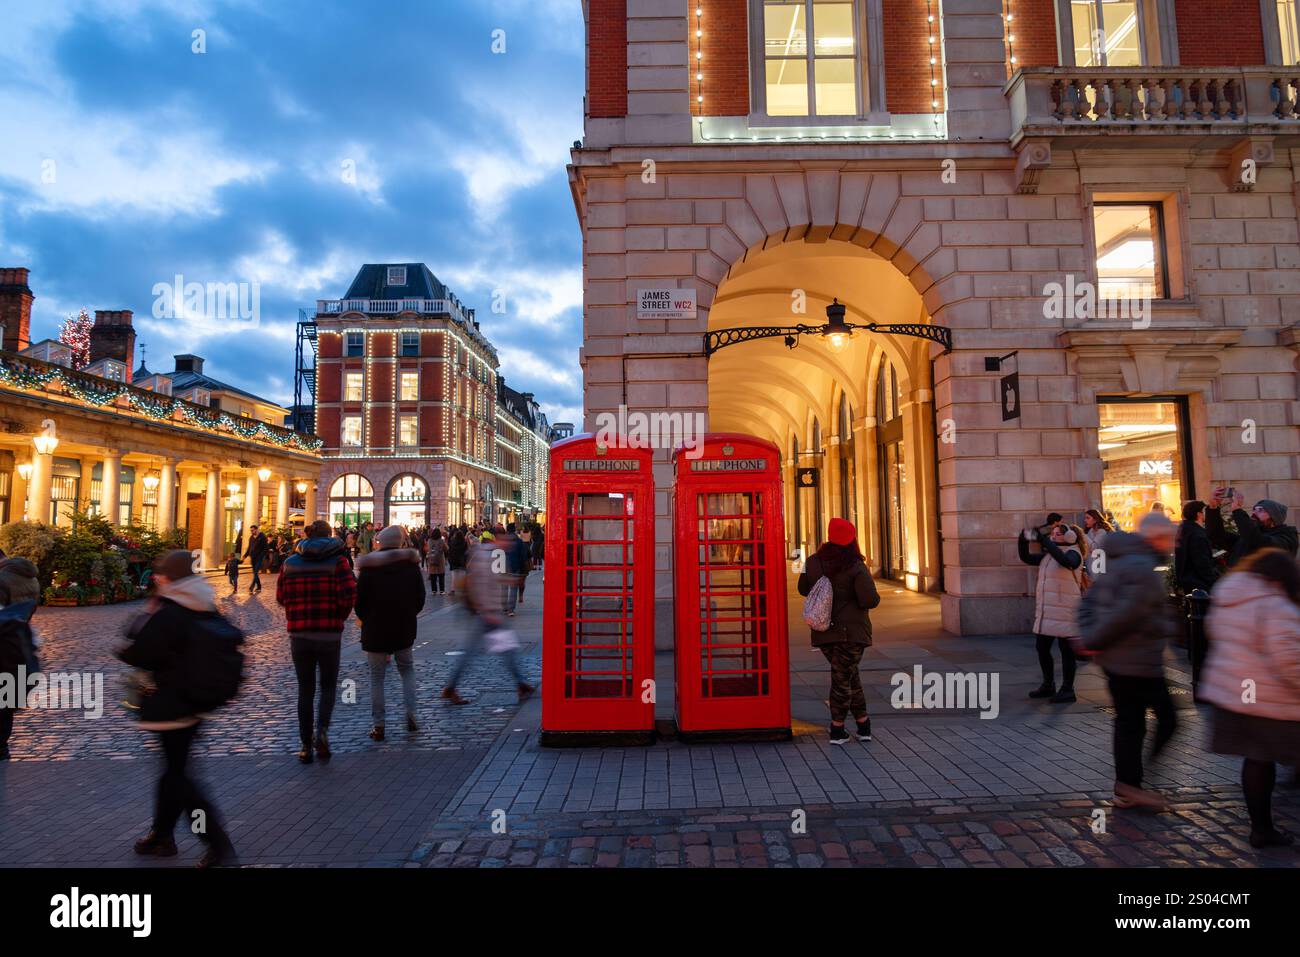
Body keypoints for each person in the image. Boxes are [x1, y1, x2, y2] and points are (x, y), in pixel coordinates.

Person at [117, 551, 237, 867]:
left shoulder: (170, 610)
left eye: (160, 573)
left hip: (172, 702)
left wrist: (145, 619)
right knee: (174, 769)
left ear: (170, 577)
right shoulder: (203, 602)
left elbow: (140, 652)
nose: (155, 577)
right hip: (197, 700)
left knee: (180, 779)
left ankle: (216, 842)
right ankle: (161, 834)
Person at [1078, 513, 1179, 811]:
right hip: (1138, 660)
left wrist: (1090, 638)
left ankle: (1128, 786)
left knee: (1129, 722)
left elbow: (1089, 604)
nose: (1173, 544)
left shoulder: (1119, 561)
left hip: (1119, 660)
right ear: (1157, 538)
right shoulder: (1141, 567)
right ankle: (1134, 783)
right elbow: (1127, 614)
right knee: (1163, 720)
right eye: (1170, 537)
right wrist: (1093, 639)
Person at [1201, 548, 1300, 847]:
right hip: (1270, 697)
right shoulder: (1275, 605)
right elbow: (1289, 660)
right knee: (1266, 758)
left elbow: (1213, 633)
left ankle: (1261, 828)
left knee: (1257, 759)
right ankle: (1263, 830)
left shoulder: (1229, 596)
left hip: (1235, 694)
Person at [276, 520, 356, 763]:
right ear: (329, 536)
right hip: (329, 633)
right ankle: (322, 731)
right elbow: (350, 593)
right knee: (329, 687)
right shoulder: (339, 562)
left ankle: (305, 745)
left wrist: (296, 612)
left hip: (299, 634)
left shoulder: (289, 563)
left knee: (305, 688)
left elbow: (281, 596)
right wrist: (338, 616)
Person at [796, 518, 880, 745]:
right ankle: (837, 729)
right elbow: (870, 600)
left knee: (848, 675)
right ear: (852, 539)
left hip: (824, 631)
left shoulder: (812, 561)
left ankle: (863, 725)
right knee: (843, 678)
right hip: (852, 634)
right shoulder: (856, 565)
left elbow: (802, 588)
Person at [442, 526, 534, 706]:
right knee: (474, 653)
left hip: (491, 614)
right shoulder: (488, 556)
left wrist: (511, 580)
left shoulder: (489, 554)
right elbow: (481, 584)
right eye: (506, 541)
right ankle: (451, 688)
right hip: (487, 615)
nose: (508, 545)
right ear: (497, 540)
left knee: (506, 650)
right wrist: (486, 611)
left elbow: (495, 578)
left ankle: (520, 683)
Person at [355, 526, 425, 741]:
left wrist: (367, 619)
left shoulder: (369, 567)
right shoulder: (410, 566)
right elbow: (420, 598)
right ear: (400, 542)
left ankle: (379, 725)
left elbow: (360, 603)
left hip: (375, 628)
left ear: (380, 542)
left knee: (377, 678)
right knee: (407, 670)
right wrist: (409, 613)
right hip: (403, 625)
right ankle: (411, 714)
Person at [1018, 517, 1087, 704]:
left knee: (1067, 652)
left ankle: (1067, 689)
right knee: (1042, 648)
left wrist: (1044, 540)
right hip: (1048, 612)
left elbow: (1065, 561)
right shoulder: (1049, 555)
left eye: (1059, 534)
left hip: (1066, 611)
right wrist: (1023, 540)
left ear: (1071, 537)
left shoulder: (1074, 553)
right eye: (1053, 534)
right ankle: (1048, 684)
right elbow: (1026, 557)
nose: (1054, 537)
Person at [1206, 490, 1298, 565]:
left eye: (1260, 510)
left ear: (1274, 516)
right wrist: (1213, 508)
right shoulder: (1248, 537)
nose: (1254, 513)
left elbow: (1257, 541)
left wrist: (1237, 510)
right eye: (1254, 509)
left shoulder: (1285, 538)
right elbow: (1216, 536)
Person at [1174, 500, 1218, 594]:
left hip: (1188, 582)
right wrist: (1213, 582)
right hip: (1200, 585)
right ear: (1199, 514)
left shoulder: (1184, 530)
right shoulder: (1197, 535)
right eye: (1204, 511)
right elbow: (1202, 562)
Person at [504, 522, 530, 615]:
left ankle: (504, 607)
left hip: (504, 568)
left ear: (507, 530)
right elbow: (523, 556)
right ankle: (511, 609)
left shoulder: (503, 540)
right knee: (513, 589)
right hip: (515, 567)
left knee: (504, 588)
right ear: (514, 530)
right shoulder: (519, 541)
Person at [242, 524, 268, 594]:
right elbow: (249, 548)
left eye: (252, 530)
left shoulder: (262, 537)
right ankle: (259, 587)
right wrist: (245, 555)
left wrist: (262, 556)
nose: (251, 532)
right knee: (255, 573)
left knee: (256, 572)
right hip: (252, 558)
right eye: (251, 530)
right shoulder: (251, 537)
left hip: (259, 558)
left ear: (256, 530)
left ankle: (251, 587)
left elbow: (265, 548)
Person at [426, 527, 447, 594]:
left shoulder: (429, 540)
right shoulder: (441, 541)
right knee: (441, 576)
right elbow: (446, 549)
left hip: (431, 559)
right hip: (440, 560)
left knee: (433, 576)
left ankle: (434, 590)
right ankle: (441, 590)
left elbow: (427, 549)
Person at [447, 528, 468, 596]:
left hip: (453, 561)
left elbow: (449, 552)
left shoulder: (452, 542)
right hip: (462, 561)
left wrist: (449, 560)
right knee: (463, 575)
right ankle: (464, 590)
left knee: (454, 576)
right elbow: (466, 552)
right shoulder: (464, 543)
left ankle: (453, 590)